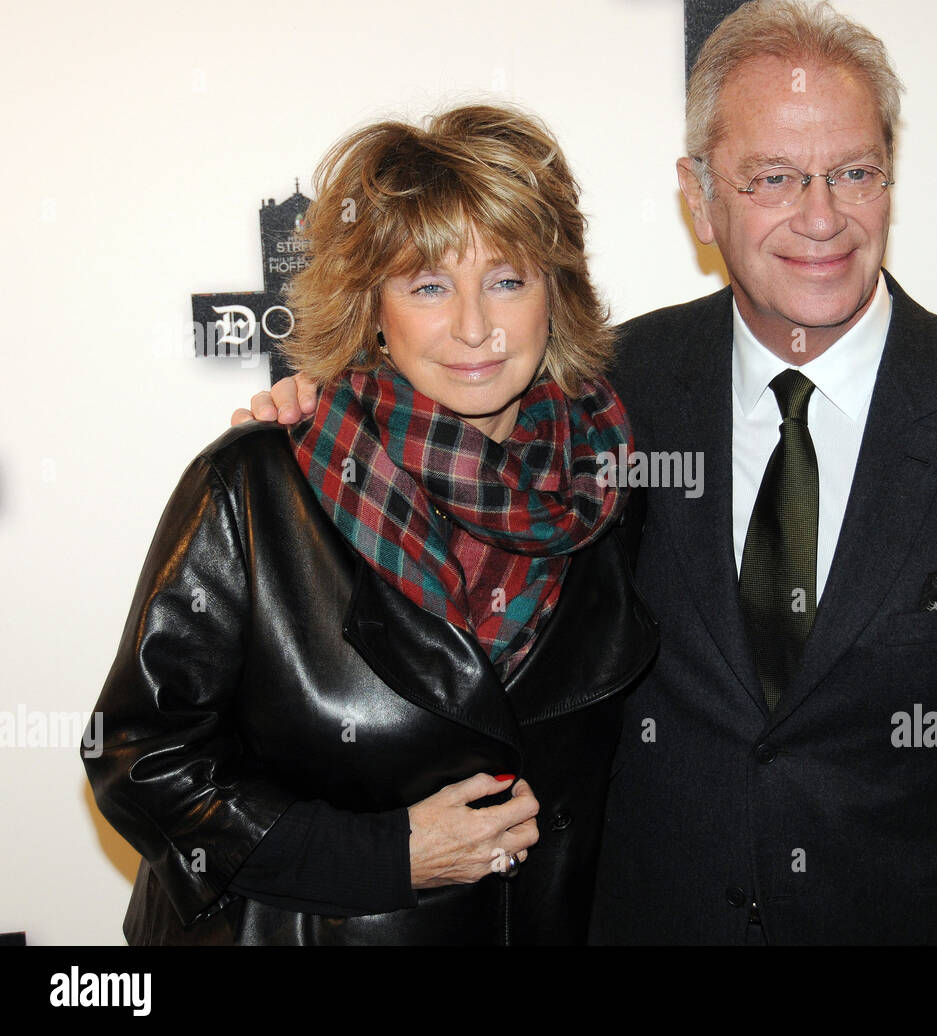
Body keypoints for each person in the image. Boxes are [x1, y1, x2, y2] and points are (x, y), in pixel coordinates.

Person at [239, 0, 937, 944]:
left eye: (855, 172)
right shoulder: (600, 397)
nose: (822, 217)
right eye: (772, 177)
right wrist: (323, 406)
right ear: (698, 193)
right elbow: (439, 424)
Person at [85, 104, 657, 945]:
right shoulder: (260, 485)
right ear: (373, 311)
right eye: (428, 285)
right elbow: (137, 756)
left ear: (556, 295)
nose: (474, 326)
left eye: (507, 279)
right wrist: (379, 855)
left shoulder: (611, 487)